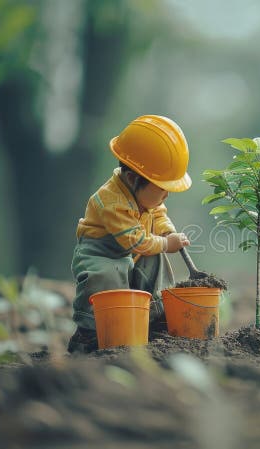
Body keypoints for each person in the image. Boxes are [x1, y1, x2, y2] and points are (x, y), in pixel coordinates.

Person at [67, 115, 192, 353]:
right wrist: (166, 244)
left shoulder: (145, 196)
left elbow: (158, 214)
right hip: (102, 254)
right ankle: (89, 333)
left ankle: (156, 317)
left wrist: (167, 230)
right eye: (163, 190)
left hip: (132, 250)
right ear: (134, 179)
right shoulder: (111, 200)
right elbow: (135, 241)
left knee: (155, 261)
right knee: (107, 277)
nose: (166, 196)